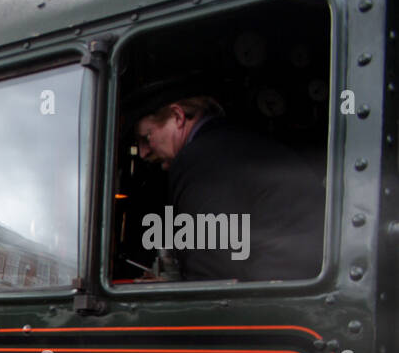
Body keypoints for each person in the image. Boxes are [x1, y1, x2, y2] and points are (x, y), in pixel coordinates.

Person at [130, 90, 324, 282]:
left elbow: (211, 271)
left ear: (178, 117)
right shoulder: (232, 143)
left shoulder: (201, 158)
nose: (143, 153)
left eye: (146, 138)